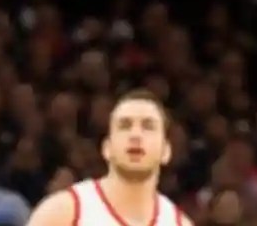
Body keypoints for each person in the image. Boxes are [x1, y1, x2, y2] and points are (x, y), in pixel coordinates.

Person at [26, 90, 193, 226]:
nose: (135, 135)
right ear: (107, 148)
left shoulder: (179, 223)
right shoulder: (63, 212)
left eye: (148, 127)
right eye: (124, 126)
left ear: (166, 151)